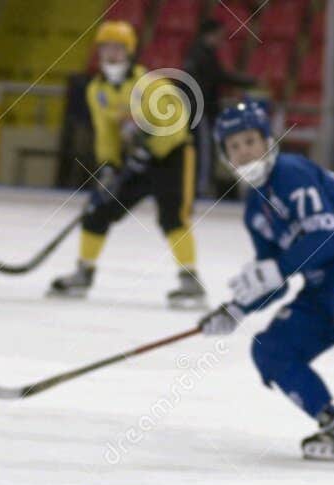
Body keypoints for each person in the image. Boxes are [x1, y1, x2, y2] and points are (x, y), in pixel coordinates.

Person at [201, 101, 334, 460]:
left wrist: (277, 269)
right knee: (271, 349)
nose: (244, 150)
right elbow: (272, 277)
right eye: (234, 146)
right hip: (319, 289)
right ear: (225, 156)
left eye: (250, 140)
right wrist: (236, 309)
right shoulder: (253, 210)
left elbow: (328, 238)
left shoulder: (291, 173)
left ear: (268, 141)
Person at [49, 20, 205, 307]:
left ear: (129, 52)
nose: (111, 54)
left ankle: (190, 281)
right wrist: (108, 164)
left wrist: (151, 146)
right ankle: (84, 272)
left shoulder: (150, 84)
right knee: (98, 210)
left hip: (173, 156)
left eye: (118, 48)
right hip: (134, 160)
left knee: (172, 216)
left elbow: (176, 122)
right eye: (106, 47)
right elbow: (105, 133)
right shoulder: (97, 89)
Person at [182, 17, 256, 195]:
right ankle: (200, 187)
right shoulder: (203, 55)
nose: (221, 41)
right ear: (211, 35)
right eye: (219, 36)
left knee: (200, 149)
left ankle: (198, 186)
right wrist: (249, 81)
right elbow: (219, 77)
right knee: (203, 150)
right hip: (201, 111)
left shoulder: (196, 53)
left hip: (197, 110)